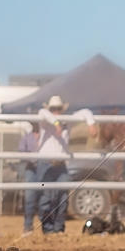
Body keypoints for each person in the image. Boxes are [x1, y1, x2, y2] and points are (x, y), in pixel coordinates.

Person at [32, 95, 93, 234]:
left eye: (58, 109)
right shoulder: (45, 120)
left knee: (62, 198)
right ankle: (48, 229)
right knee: (46, 197)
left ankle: (59, 229)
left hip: (61, 165)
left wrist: (91, 123)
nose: (56, 111)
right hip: (45, 164)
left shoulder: (67, 121)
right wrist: (56, 123)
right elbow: (42, 112)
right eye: (54, 109)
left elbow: (85, 112)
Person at [18, 125, 41, 233]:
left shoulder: (46, 135)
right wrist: (31, 158)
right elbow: (21, 152)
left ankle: (46, 226)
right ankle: (28, 226)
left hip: (44, 168)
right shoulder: (27, 137)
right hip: (31, 169)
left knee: (45, 197)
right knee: (30, 198)